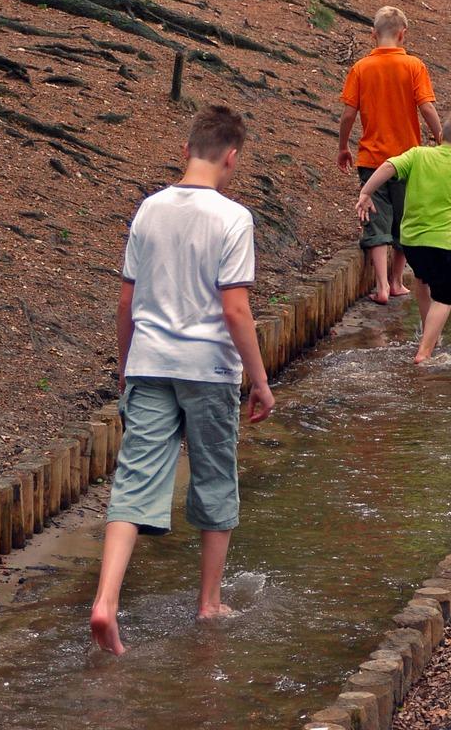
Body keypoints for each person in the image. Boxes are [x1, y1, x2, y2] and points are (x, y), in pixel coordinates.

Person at [90, 104, 275, 656]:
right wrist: (260, 381)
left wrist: (127, 366)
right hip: (209, 370)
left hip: (148, 363)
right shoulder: (232, 218)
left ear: (186, 151)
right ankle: (209, 601)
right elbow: (235, 310)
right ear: (232, 158)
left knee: (134, 481)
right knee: (215, 478)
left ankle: (105, 601)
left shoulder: (148, 210)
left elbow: (126, 300)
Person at [356, 109, 451, 363]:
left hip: (411, 241)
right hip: (441, 243)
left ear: (439, 135)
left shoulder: (418, 154)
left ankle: (430, 335)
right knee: (444, 297)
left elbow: (388, 166)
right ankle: (424, 353)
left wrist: (366, 192)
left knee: (422, 281)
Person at [338, 5, 443, 304]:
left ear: (373, 35)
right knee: (404, 221)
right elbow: (426, 107)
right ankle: (398, 282)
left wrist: (343, 146)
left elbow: (348, 114)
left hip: (372, 159)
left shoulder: (360, 68)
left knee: (375, 219)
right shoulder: (414, 66)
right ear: (402, 34)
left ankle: (381, 286)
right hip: (408, 161)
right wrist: (440, 139)